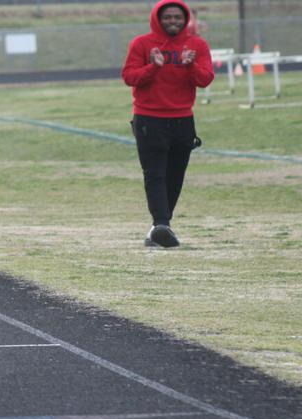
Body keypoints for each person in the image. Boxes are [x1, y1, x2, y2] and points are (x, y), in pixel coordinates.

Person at [121, 0, 213, 249]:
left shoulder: (196, 45)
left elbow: (205, 80)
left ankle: (159, 229)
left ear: (186, 19)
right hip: (149, 119)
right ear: (157, 19)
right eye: (168, 17)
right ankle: (161, 223)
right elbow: (129, 77)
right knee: (155, 174)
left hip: (183, 119)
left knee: (175, 175)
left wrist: (190, 64)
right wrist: (153, 67)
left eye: (177, 17)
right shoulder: (141, 44)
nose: (173, 21)